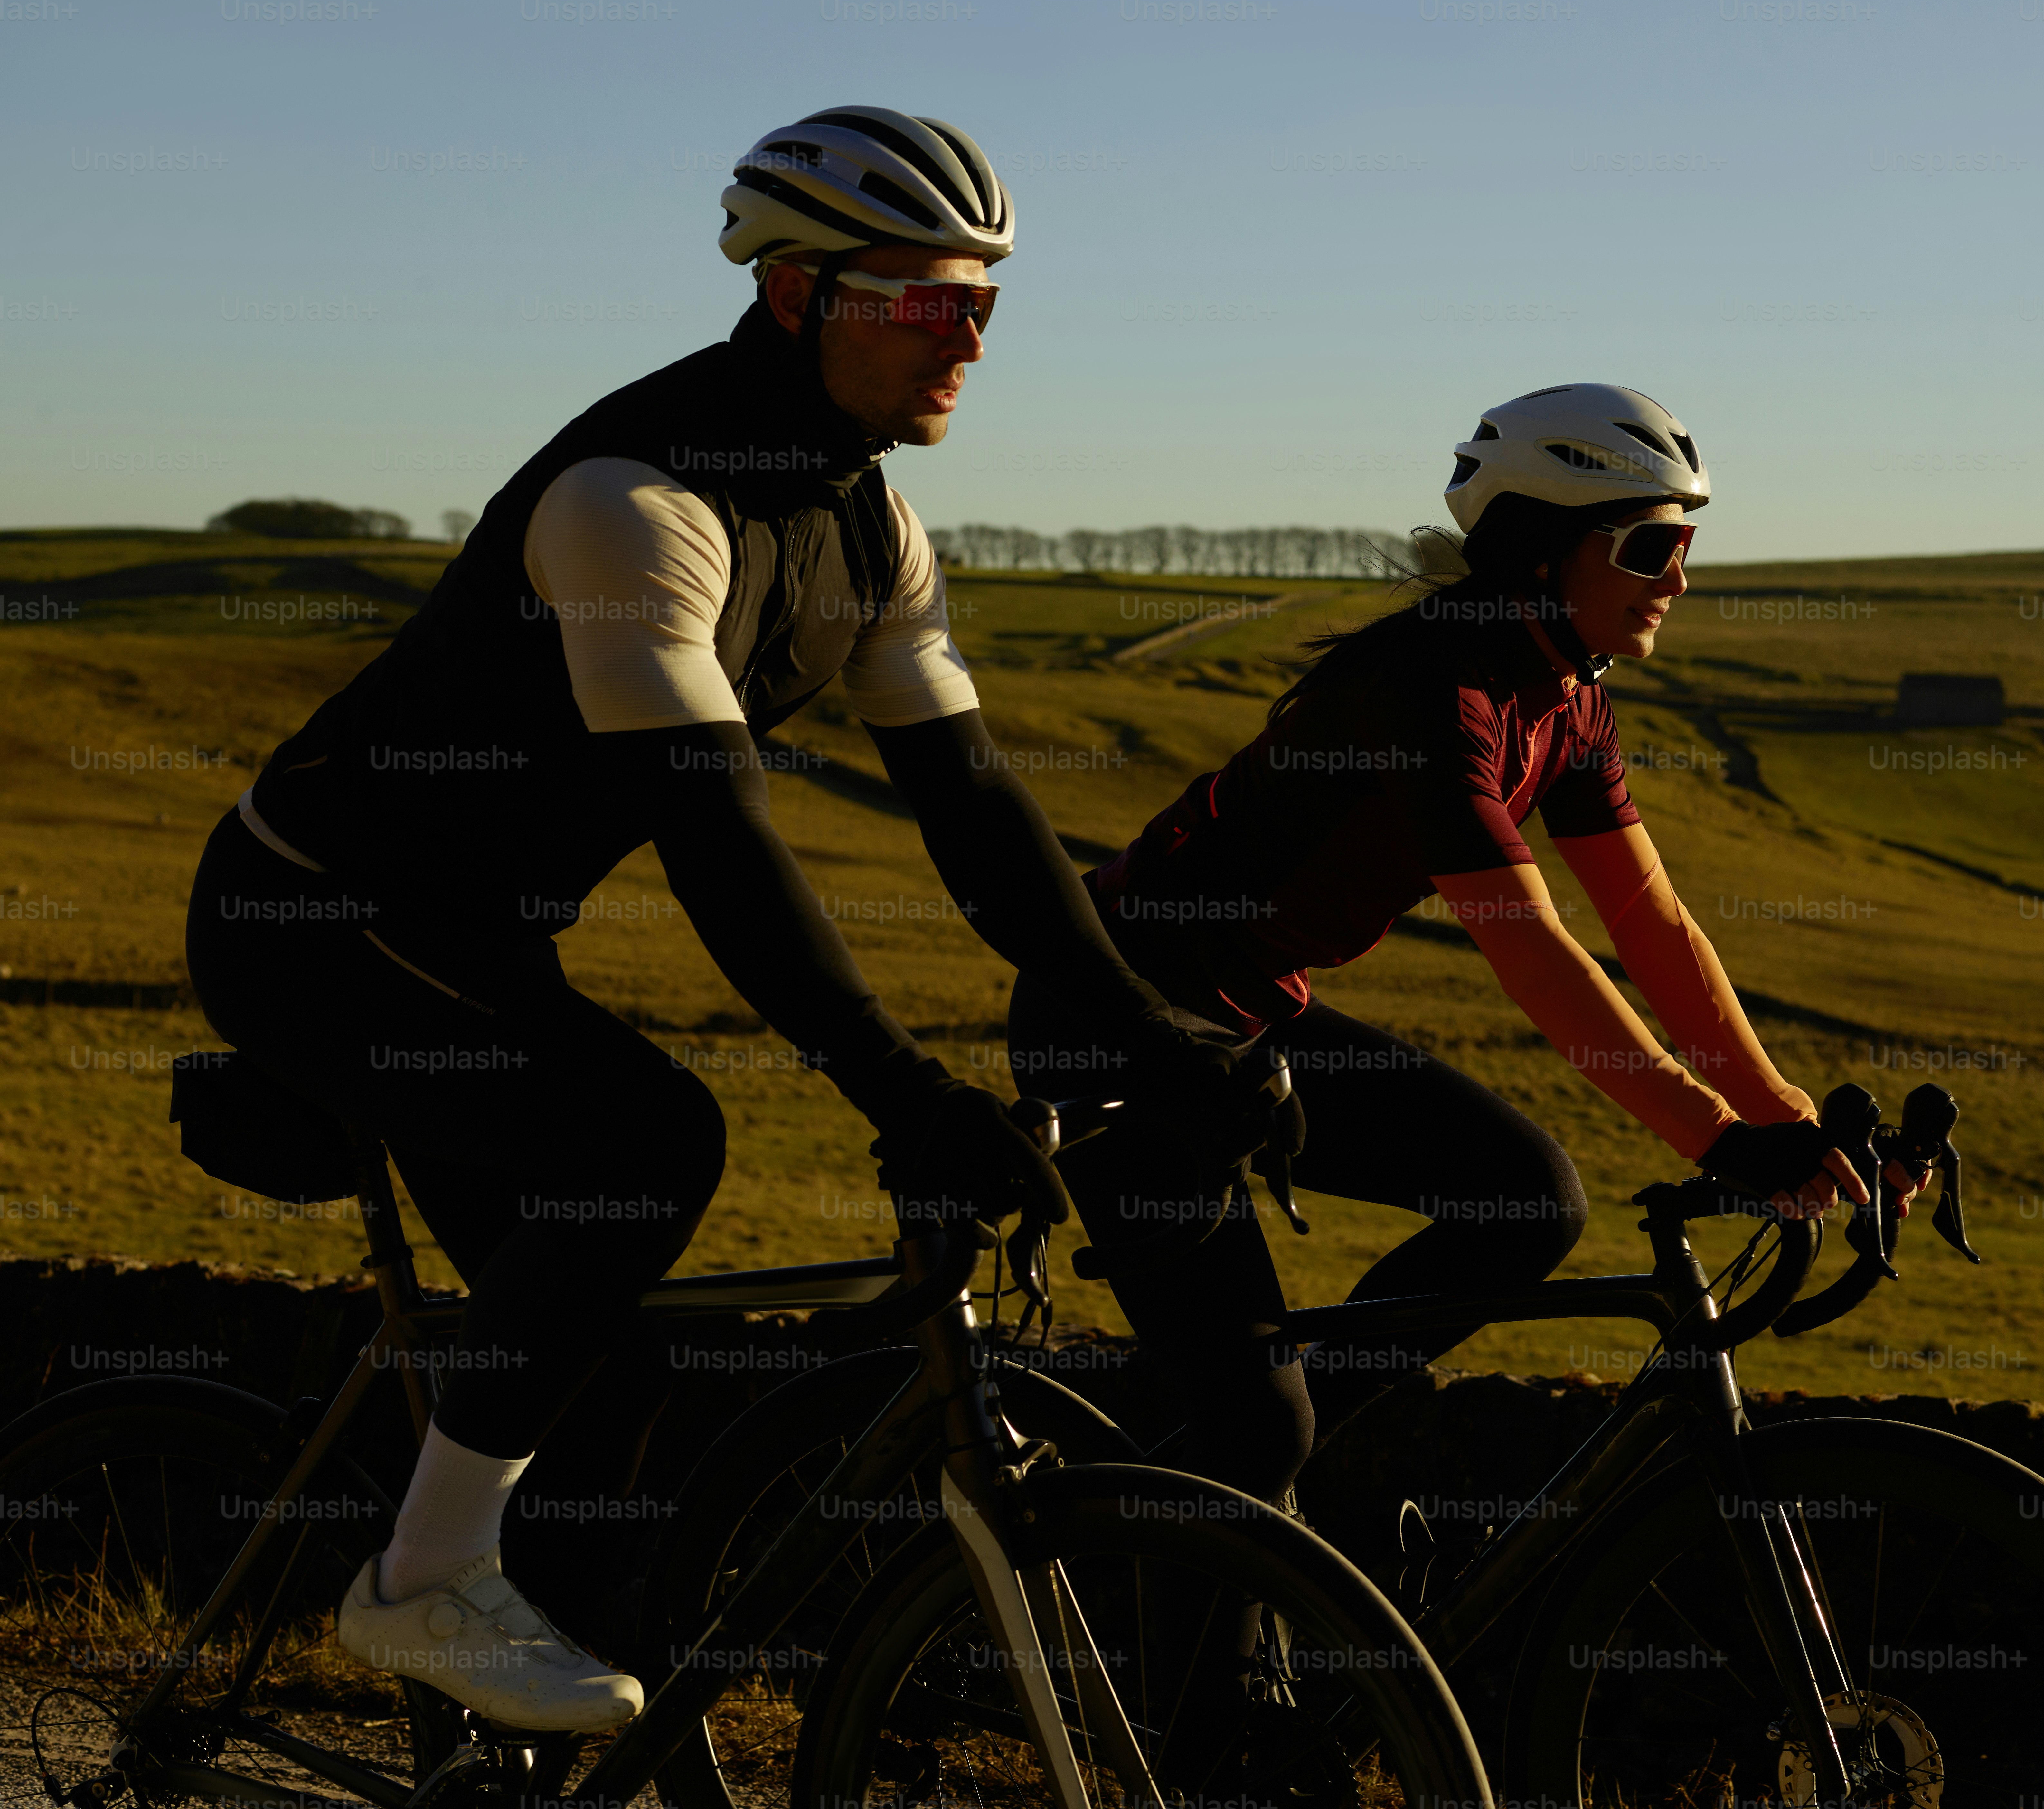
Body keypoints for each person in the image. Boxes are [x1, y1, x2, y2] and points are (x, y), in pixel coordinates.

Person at [183, 106, 1275, 1730]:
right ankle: (418, 1585)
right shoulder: (634, 502)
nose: (970, 338)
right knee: (650, 1141)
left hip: (476, 942)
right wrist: (903, 1091)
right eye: (928, 299)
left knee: (607, 1374)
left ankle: (519, 1714)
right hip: (316, 922)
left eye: (987, 300)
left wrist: (1149, 1032)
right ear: (794, 293)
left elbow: (975, 810)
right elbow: (718, 837)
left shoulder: (870, 525)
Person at [1009, 384, 1932, 1509]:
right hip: (1113, 1023)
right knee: (1259, 1430)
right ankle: (1209, 1496)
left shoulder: (1565, 700)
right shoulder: (1431, 689)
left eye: (1686, 547)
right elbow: (1533, 946)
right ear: (1541, 552)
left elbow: (1652, 925)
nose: (1679, 580)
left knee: (1526, 1202)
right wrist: (1719, 1139)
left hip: (1249, 1017)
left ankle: (1225, 1498)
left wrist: (1785, 1119)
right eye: (1649, 549)